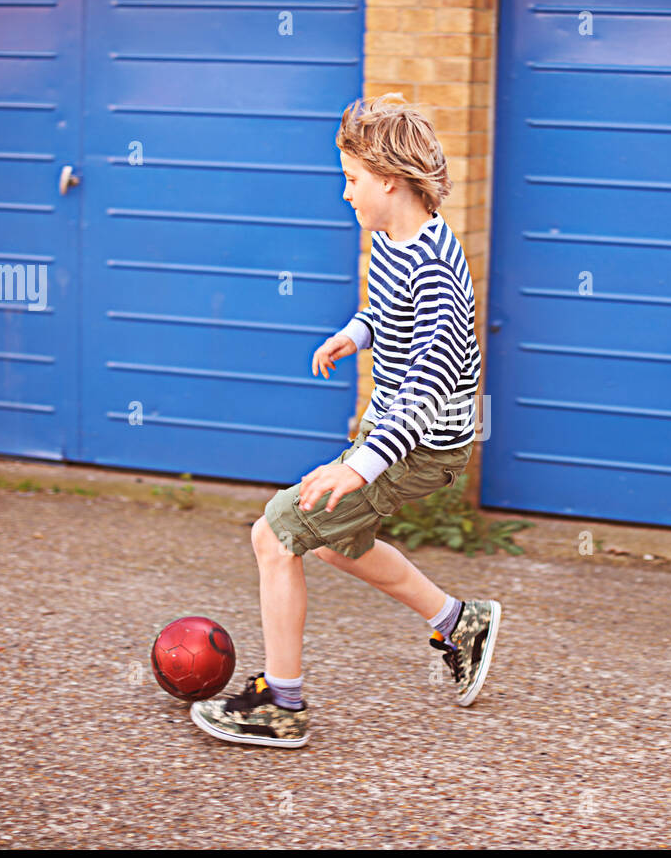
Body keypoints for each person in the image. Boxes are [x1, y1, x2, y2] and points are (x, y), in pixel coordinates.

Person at [191, 94, 502, 748]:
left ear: (389, 179)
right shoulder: (394, 237)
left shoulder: (440, 273)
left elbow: (427, 385)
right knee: (334, 540)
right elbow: (388, 310)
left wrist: (361, 465)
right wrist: (356, 333)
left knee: (275, 535)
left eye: (353, 180)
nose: (346, 195)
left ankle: (282, 704)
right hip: (396, 427)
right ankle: (459, 621)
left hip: (423, 441)